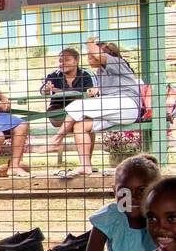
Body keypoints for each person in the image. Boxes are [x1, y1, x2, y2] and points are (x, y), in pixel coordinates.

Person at [51, 39, 144, 178]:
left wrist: (89, 42)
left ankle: (55, 140)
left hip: (128, 105)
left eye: (90, 55)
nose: (88, 58)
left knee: (78, 105)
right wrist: (98, 91)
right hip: (114, 109)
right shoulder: (100, 71)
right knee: (80, 126)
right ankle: (85, 166)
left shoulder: (116, 62)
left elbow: (99, 56)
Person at [40, 47, 94, 129]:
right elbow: (43, 90)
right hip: (59, 107)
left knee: (86, 118)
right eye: (60, 61)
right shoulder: (53, 75)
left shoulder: (87, 74)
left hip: (82, 108)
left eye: (67, 60)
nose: (62, 63)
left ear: (76, 61)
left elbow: (90, 95)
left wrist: (58, 91)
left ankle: (66, 131)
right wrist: (46, 90)